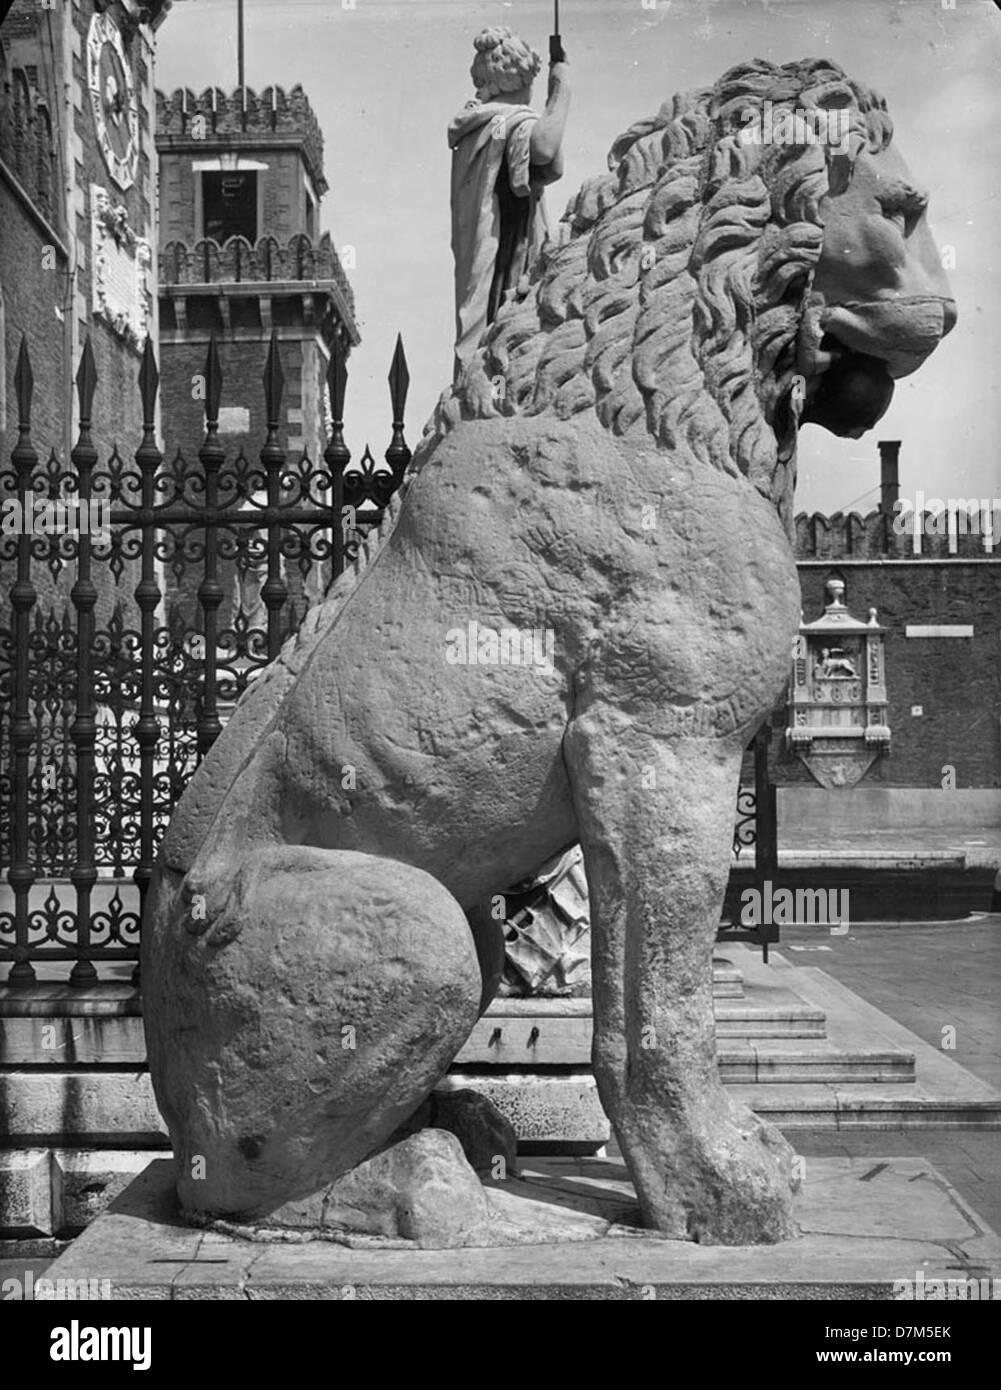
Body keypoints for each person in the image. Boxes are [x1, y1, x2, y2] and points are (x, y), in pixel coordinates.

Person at [449, 25, 571, 380]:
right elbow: (546, 149)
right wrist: (562, 87)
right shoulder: (504, 120)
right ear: (519, 81)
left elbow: (549, 165)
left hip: (502, 241)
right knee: (503, 336)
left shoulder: (478, 125)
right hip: (506, 245)